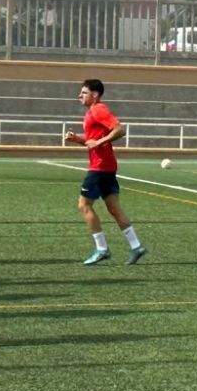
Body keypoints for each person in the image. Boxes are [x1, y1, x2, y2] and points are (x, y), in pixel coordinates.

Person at [65, 79, 145, 265]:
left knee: (84, 205)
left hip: (99, 167)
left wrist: (99, 143)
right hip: (107, 165)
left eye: (84, 92)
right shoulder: (92, 112)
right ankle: (137, 246)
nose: (79, 95)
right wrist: (78, 139)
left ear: (95, 95)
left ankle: (102, 249)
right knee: (114, 208)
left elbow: (119, 130)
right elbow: (93, 138)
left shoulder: (98, 110)